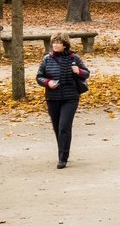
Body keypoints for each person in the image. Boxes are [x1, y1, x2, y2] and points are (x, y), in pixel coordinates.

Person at [34, 33, 90, 169]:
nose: (55, 45)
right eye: (53, 42)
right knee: (57, 126)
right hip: (53, 97)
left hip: (70, 97)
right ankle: (62, 149)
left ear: (65, 44)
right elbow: (39, 77)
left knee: (64, 126)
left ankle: (62, 158)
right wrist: (48, 82)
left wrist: (79, 71)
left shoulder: (74, 58)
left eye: (58, 42)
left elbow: (87, 73)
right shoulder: (47, 59)